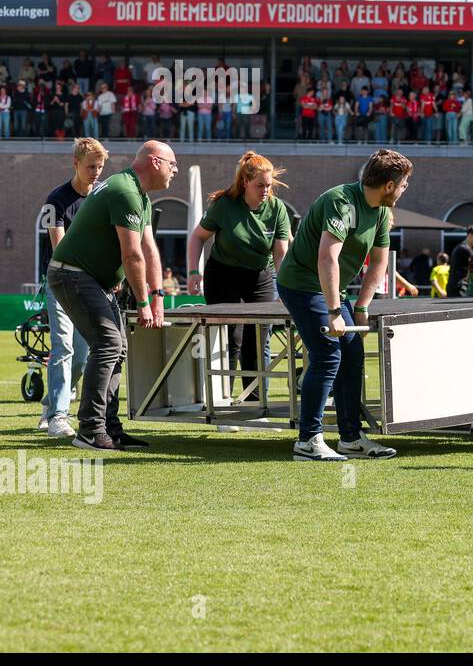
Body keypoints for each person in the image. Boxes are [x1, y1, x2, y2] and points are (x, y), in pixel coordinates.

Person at [275, 149, 412, 461]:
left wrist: (362, 305)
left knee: (352, 354)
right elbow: (327, 256)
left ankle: (350, 438)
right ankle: (308, 441)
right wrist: (336, 311)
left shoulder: (379, 211)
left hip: (332, 289)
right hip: (301, 283)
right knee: (327, 355)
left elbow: (379, 262)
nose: (404, 190)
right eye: (403, 185)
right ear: (389, 185)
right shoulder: (342, 201)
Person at [46, 140, 178, 451]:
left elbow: (150, 251)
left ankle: (109, 427)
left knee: (117, 348)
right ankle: (90, 430)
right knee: (107, 344)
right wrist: (143, 302)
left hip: (90, 278)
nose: (176, 170)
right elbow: (132, 255)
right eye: (172, 164)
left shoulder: (139, 195)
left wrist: (158, 296)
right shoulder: (125, 191)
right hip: (72, 274)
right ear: (156, 162)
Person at [187, 152, 292, 402]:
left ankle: (257, 404)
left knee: (258, 338)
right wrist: (193, 271)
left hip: (260, 275)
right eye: (260, 185)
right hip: (223, 273)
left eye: (269, 185)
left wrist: (286, 287)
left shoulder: (277, 209)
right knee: (232, 335)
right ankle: (222, 401)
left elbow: (281, 253)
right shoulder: (224, 205)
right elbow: (197, 237)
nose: (265, 190)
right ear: (245, 182)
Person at [37, 138, 108, 439]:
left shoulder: (103, 196)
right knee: (63, 347)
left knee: (83, 354)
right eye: (91, 166)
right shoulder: (56, 200)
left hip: (92, 281)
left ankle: (50, 401)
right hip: (61, 279)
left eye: (100, 167)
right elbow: (60, 247)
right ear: (75, 164)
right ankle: (57, 417)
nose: (96, 172)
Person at [447, 226, 473, 297]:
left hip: (457, 286)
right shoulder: (464, 249)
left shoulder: (463, 247)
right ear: (470, 235)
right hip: (458, 287)